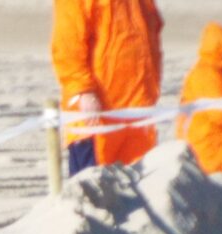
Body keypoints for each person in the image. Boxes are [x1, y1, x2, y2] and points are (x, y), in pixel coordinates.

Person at [51, 0, 164, 175]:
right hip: (95, 116)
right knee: (95, 190)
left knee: (138, 187)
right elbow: (67, 41)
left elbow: (151, 33)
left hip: (137, 112)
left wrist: (149, 93)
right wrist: (82, 90)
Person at [175, 23, 222, 181]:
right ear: (220, 49)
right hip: (212, 158)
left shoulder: (215, 73)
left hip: (216, 157)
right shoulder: (208, 75)